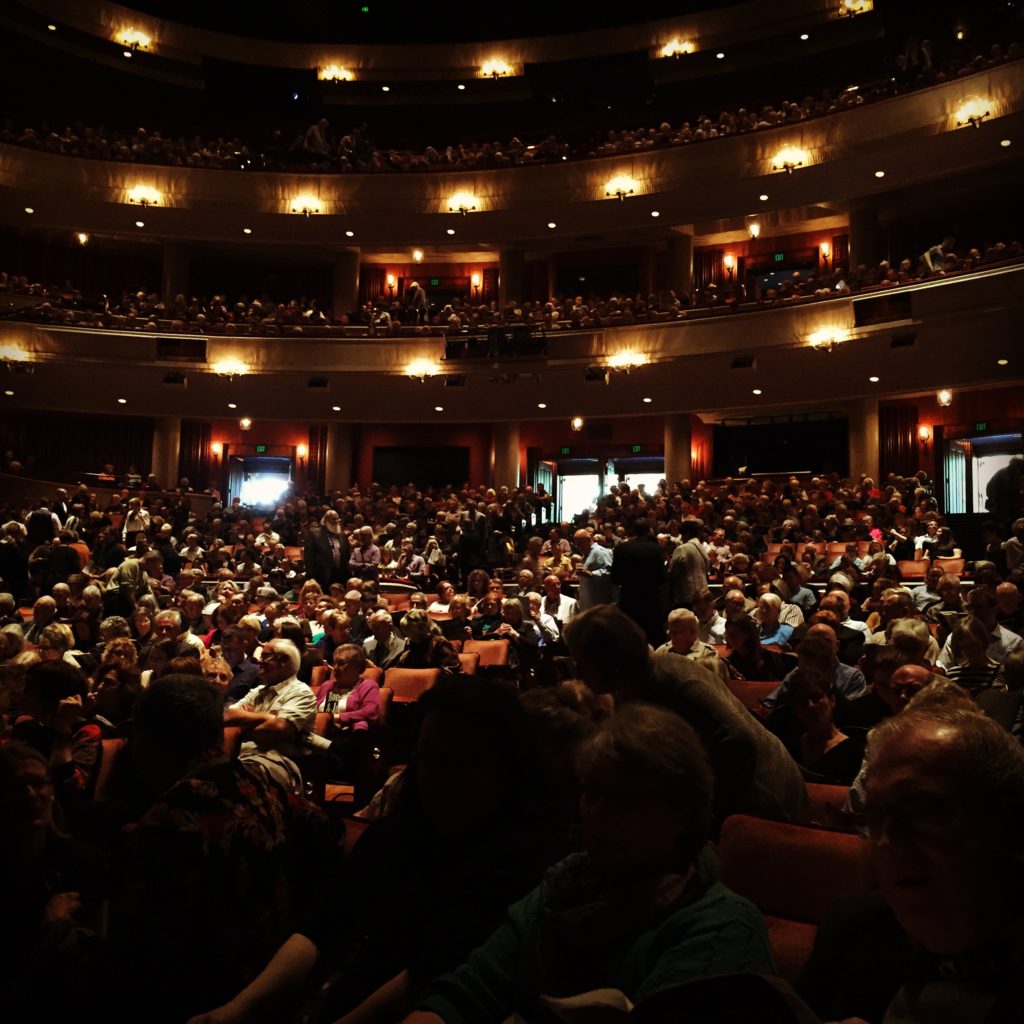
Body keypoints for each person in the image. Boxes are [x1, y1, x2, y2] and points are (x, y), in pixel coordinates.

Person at [408, 705, 774, 1024]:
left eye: (624, 801)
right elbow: (470, 991)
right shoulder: (566, 885)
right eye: (592, 793)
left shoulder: (722, 928)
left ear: (682, 814)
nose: (597, 816)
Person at [107, 675, 328, 1024]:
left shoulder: (170, 821)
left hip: (209, 999)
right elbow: (326, 834)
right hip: (274, 977)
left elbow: (134, 952)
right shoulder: (261, 783)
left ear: (148, 742)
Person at [802, 706, 1024, 1022]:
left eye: (919, 809)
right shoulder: (852, 931)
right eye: (875, 819)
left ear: (1008, 818)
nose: (887, 843)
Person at [565, 606, 807, 825]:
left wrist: (705, 819)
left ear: (609, 662)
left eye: (581, 662)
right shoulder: (643, 680)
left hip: (766, 798)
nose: (578, 671)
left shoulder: (669, 679)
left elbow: (740, 741)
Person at [611, 518, 666, 647]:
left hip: (628, 600)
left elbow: (615, 578)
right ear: (648, 531)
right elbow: (661, 579)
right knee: (652, 640)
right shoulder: (656, 549)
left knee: (629, 640)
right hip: (650, 601)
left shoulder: (621, 548)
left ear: (632, 531)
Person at [303, 509, 350, 590]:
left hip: (340, 574)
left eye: (337, 519)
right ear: (325, 520)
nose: (336, 521)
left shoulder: (342, 535)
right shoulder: (314, 534)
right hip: (323, 575)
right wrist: (311, 577)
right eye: (333, 519)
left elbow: (347, 555)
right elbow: (308, 557)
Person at [668, 518, 708, 609]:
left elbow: (672, 573)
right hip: (702, 593)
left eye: (682, 535)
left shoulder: (682, 548)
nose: (681, 538)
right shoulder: (701, 547)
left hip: (686, 595)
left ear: (688, 533)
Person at [572, 529, 615, 610]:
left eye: (580, 544)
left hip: (599, 603)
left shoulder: (599, 551)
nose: (578, 547)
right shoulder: (586, 554)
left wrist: (591, 574)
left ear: (588, 540)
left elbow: (610, 571)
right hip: (588, 602)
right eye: (576, 544)